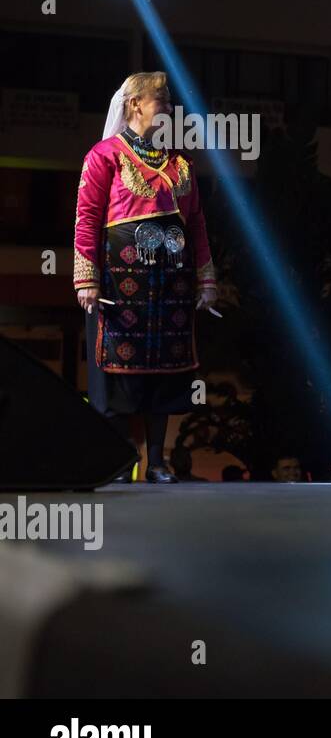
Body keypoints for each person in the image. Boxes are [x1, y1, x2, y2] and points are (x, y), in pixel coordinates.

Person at [74, 72, 218, 484]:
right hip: (119, 286)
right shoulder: (104, 156)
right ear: (135, 104)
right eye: (161, 101)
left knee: (165, 373)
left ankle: (156, 462)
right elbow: (87, 218)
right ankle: (121, 462)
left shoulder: (180, 164)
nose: (169, 109)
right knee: (118, 375)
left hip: (171, 287)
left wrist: (206, 280)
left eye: (170, 102)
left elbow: (196, 225)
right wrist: (86, 278)